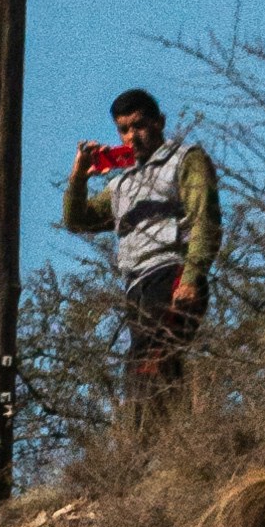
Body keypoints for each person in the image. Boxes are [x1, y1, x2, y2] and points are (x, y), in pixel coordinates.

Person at [62, 90, 218, 406]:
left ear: (159, 122)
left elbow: (204, 219)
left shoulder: (185, 160)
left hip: (171, 273)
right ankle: (169, 442)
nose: (132, 136)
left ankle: (166, 445)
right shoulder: (122, 183)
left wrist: (191, 277)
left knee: (152, 366)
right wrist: (79, 177)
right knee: (144, 372)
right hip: (136, 287)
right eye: (124, 129)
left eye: (139, 125)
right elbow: (79, 220)